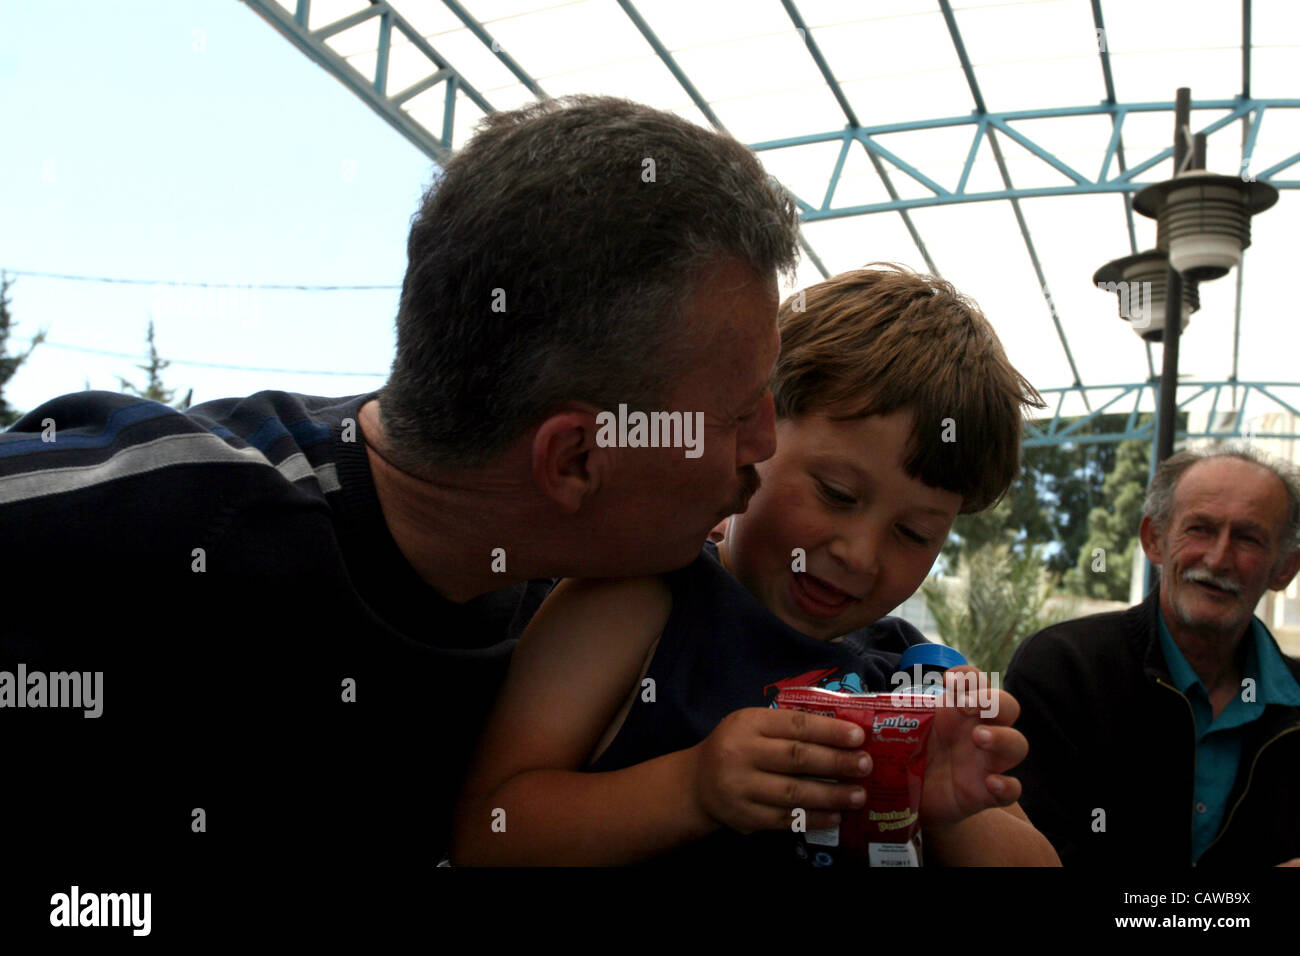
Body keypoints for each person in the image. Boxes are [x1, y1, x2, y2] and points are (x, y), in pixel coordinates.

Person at [0, 95, 802, 878]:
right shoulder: (150, 519)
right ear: (575, 461)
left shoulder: (581, 624)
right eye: (736, 415)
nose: (766, 445)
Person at [450, 266, 1059, 866]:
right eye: (837, 494)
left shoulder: (913, 677)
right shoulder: (638, 601)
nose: (860, 554)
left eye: (913, 532)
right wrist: (691, 789)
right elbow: (491, 830)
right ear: (757, 433)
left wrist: (949, 809)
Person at [1005, 446, 1300, 866]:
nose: (1218, 559)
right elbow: (1031, 852)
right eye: (1200, 529)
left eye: (1248, 538)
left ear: (1284, 569)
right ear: (1153, 540)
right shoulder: (1064, 668)